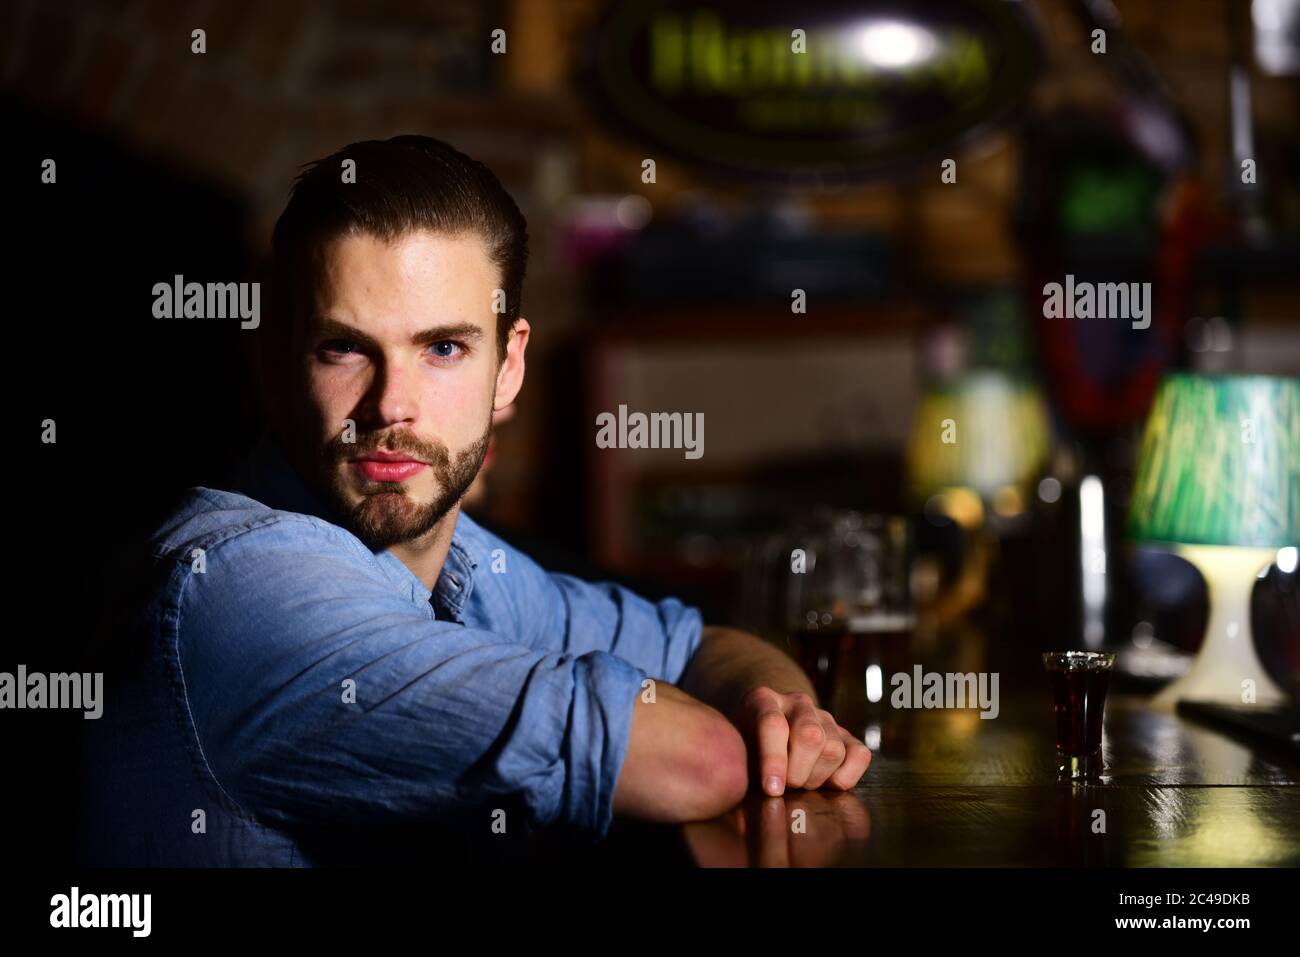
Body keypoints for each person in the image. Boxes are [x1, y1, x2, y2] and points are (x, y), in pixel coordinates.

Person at [76, 135, 871, 866]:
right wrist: (753, 737)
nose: (392, 405)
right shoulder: (246, 590)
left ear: (509, 367)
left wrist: (783, 713)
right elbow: (695, 760)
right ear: (276, 360)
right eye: (345, 348)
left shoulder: (461, 560)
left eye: (444, 348)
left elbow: (702, 646)